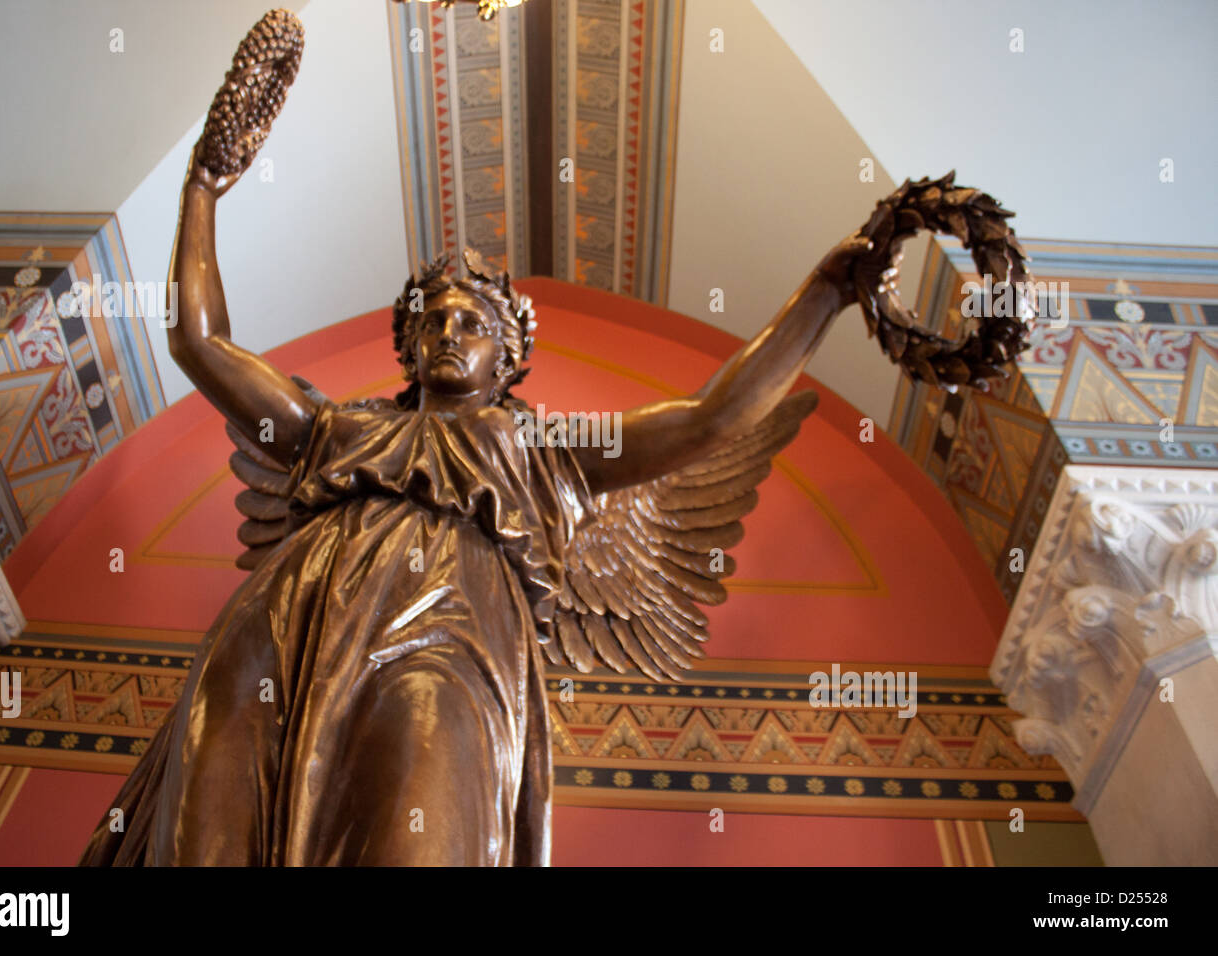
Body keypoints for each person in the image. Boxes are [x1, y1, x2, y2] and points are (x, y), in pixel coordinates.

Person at [78, 145, 875, 866]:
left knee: (420, 825)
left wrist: (825, 295)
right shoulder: (335, 429)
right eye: (430, 322)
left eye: (472, 322)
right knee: (212, 835)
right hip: (282, 628)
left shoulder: (543, 451)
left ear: (509, 358)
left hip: (446, 646)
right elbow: (198, 343)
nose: (447, 332)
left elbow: (710, 418)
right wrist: (203, 189)